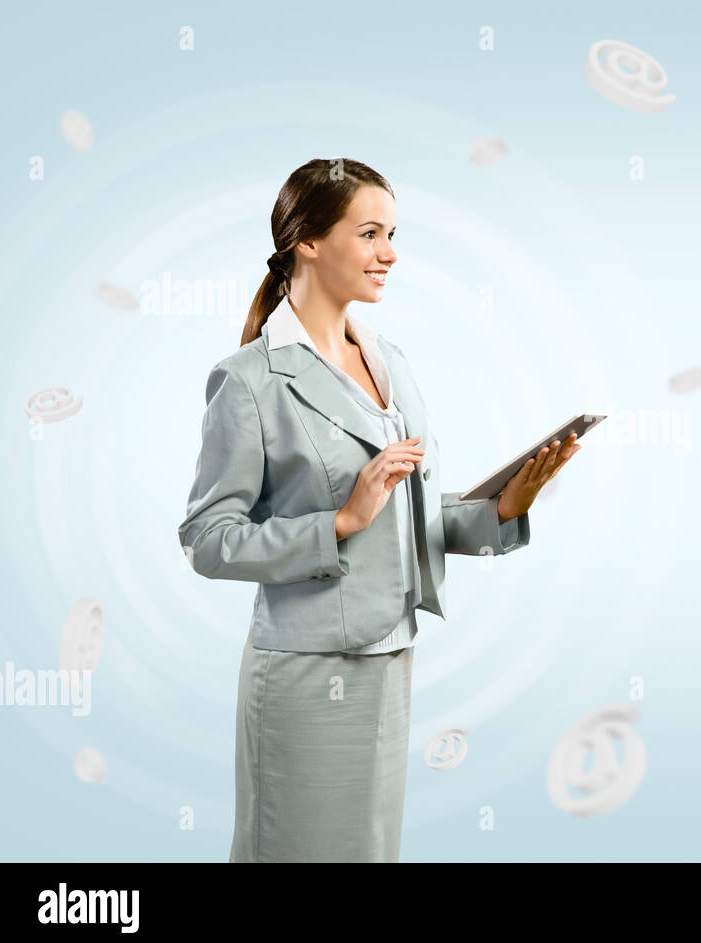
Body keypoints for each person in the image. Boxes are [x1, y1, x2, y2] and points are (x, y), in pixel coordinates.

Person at [176, 158, 579, 862]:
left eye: (392, 234)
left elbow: (404, 513)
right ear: (307, 240)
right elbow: (207, 538)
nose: (389, 253)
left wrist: (504, 507)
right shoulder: (248, 382)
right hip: (306, 671)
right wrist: (338, 522)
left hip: (388, 660)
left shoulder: (389, 359)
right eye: (369, 233)